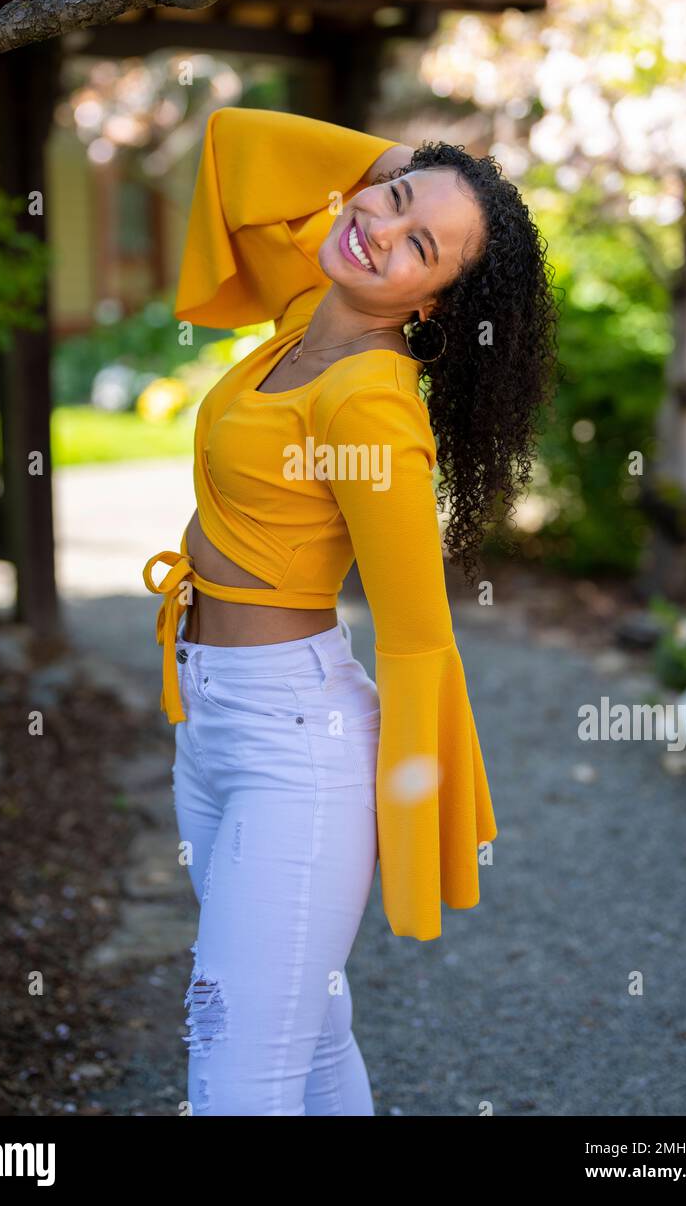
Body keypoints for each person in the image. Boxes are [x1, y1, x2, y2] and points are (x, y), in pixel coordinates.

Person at [143, 105, 558, 1116]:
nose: (379, 227)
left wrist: (428, 822)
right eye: (393, 199)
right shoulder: (305, 313)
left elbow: (417, 634)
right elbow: (239, 143)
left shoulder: (366, 400)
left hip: (297, 749)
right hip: (210, 725)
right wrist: (415, 179)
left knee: (235, 1065)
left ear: (432, 306)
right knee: (309, 1041)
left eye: (420, 247)